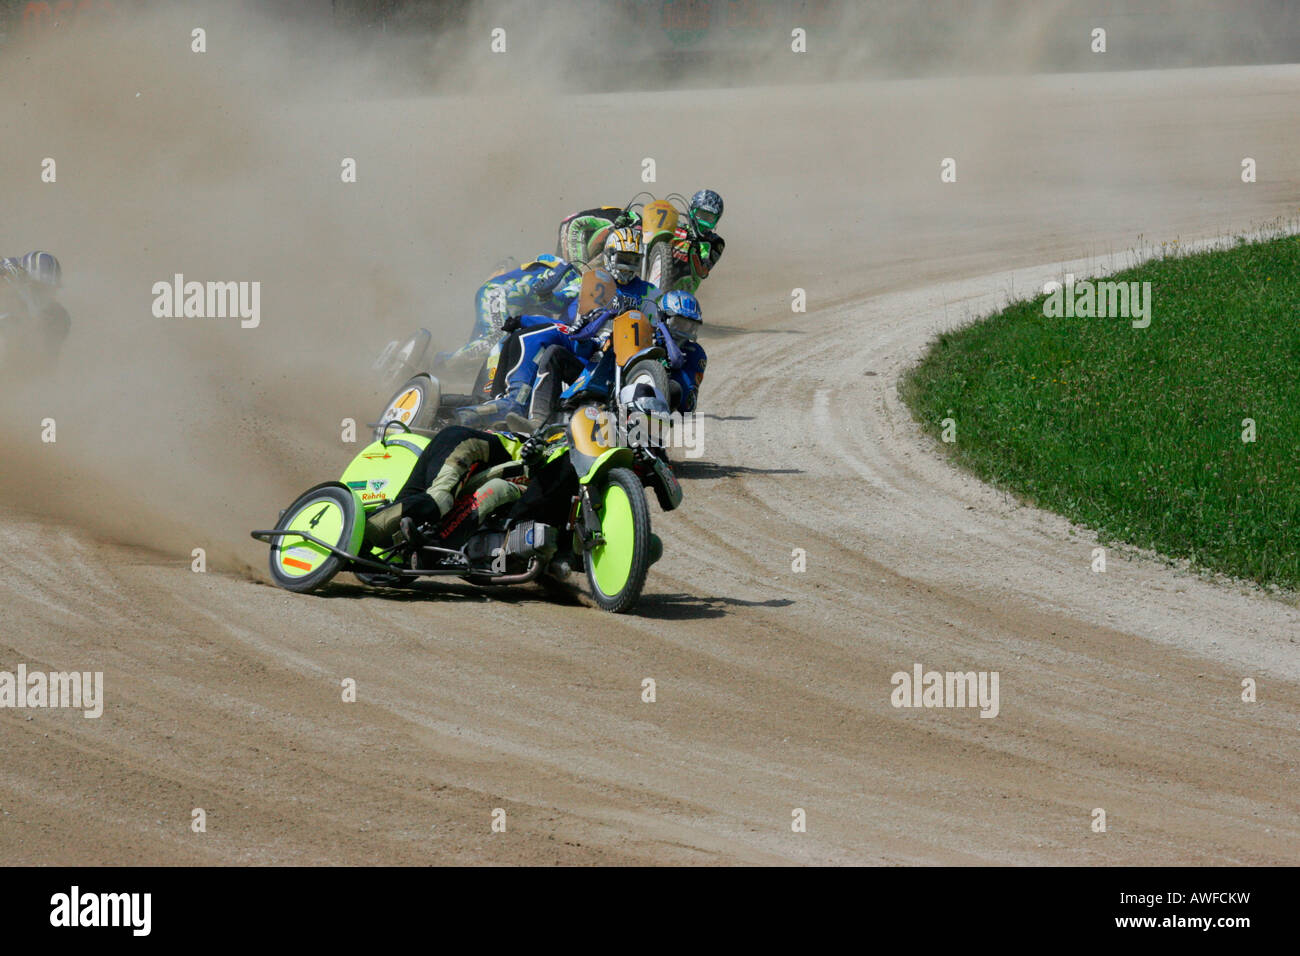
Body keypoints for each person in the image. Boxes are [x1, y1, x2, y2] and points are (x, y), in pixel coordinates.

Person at [454, 227, 661, 429]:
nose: (628, 267)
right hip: (582, 341)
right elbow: (557, 303)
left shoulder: (649, 292)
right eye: (623, 259)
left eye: (634, 260)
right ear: (609, 255)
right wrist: (545, 295)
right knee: (513, 336)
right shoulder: (590, 281)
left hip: (617, 351)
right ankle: (499, 401)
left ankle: (515, 401)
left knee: (534, 337)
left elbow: (660, 322)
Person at [362, 421, 574, 556]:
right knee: (439, 501)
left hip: (471, 461)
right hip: (467, 445)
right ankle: (356, 531)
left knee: (417, 507)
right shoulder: (559, 451)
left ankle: (401, 543)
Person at [435, 254, 578, 371]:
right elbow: (557, 304)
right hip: (497, 292)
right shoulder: (575, 277)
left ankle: (473, 374)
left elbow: (553, 304)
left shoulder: (567, 272)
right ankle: (440, 363)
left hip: (510, 304)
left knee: (508, 341)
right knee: (497, 337)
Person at [0, 251, 69, 373]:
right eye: (38, 287)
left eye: (48, 288)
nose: (44, 293)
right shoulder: (8, 287)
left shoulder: (57, 315)